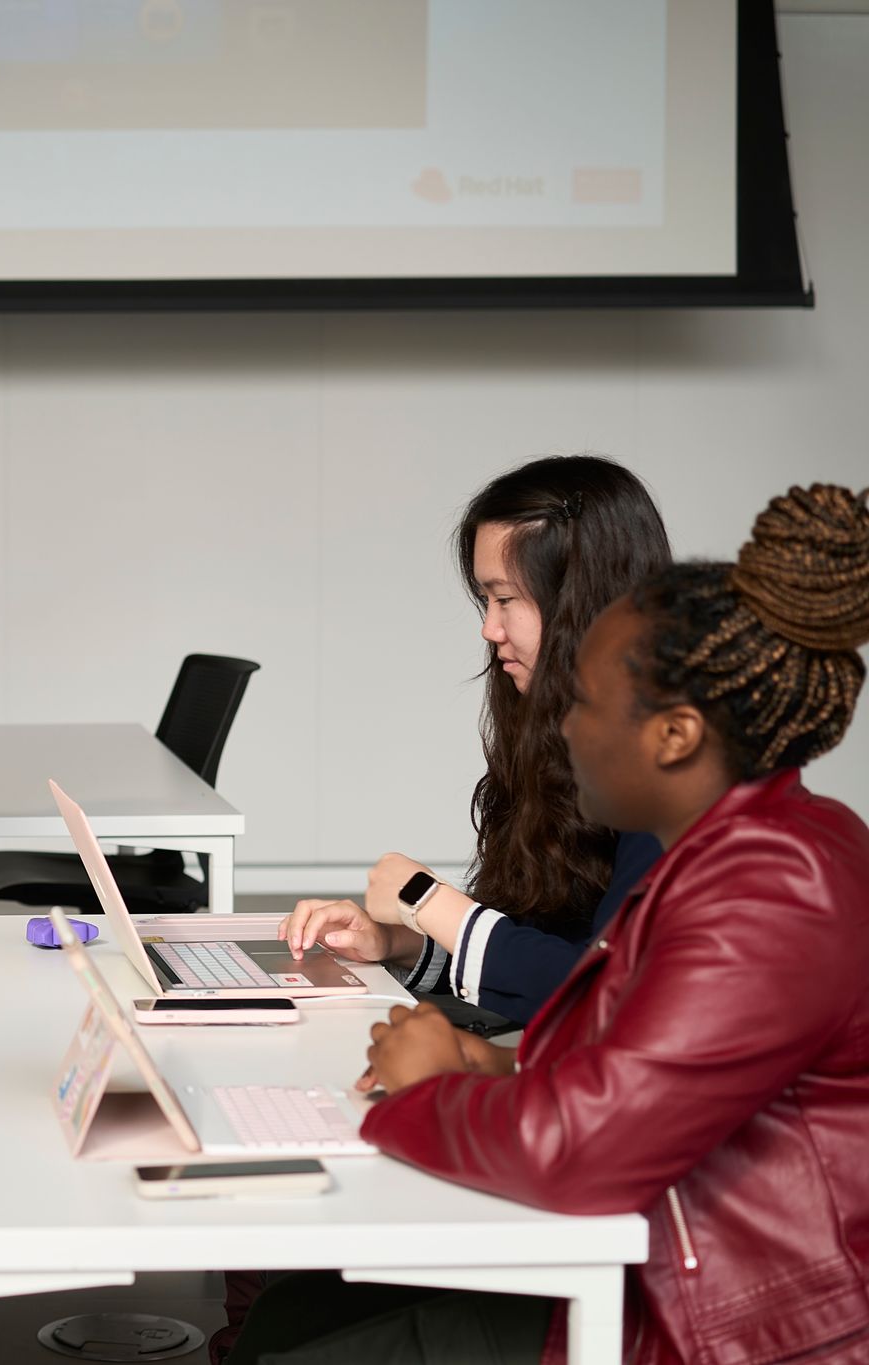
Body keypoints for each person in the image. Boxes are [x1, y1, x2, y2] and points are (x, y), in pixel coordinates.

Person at [232, 482, 869, 1364]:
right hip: (662, 1252)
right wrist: (488, 1058)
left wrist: (430, 1086)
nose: (563, 728)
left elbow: (585, 1148)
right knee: (297, 1310)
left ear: (677, 735)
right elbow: (640, 1058)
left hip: (718, 1318)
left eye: (588, 704)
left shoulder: (776, 886)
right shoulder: (735, 849)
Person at [281, 456, 672, 1026]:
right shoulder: (567, 730)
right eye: (485, 601)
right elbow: (545, 948)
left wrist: (426, 900)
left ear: (582, 602)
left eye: (506, 599)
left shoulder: (669, 767)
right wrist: (398, 943)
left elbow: (604, 991)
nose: (489, 630)